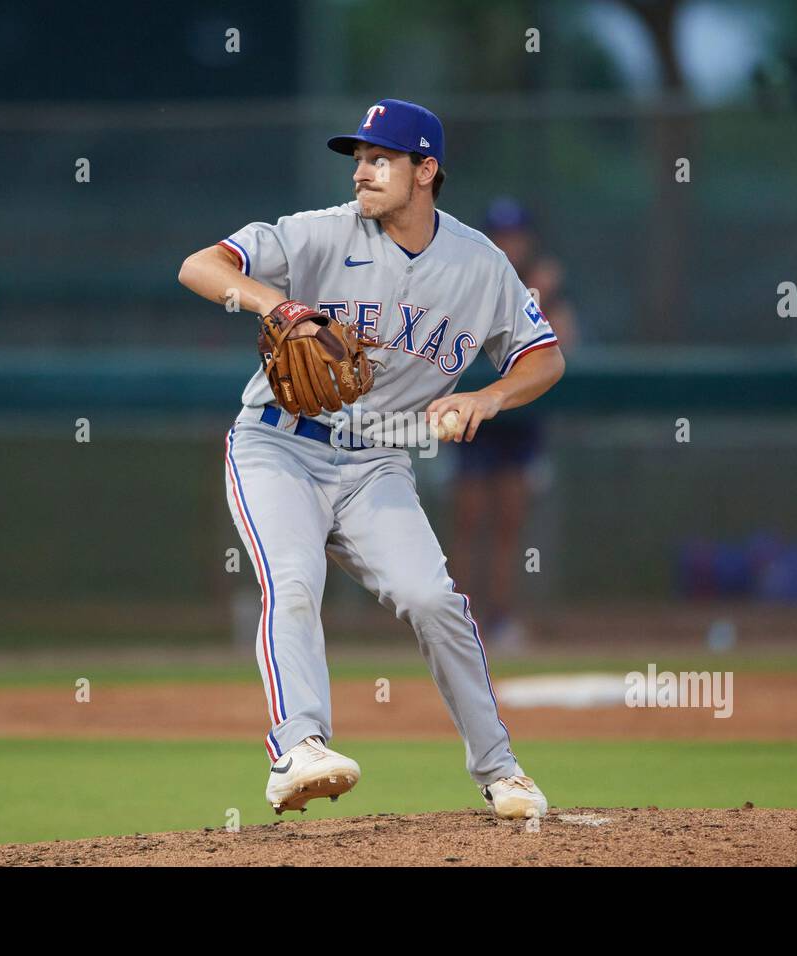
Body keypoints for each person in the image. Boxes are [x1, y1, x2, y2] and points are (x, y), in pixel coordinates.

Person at [178, 99, 564, 819]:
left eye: (380, 158)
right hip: (277, 446)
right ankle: (300, 749)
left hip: (380, 463)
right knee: (293, 581)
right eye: (358, 158)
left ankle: (502, 772)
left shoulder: (480, 265)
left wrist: (489, 397)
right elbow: (201, 266)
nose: (362, 171)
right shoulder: (319, 234)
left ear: (426, 170)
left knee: (434, 602)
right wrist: (276, 306)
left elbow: (544, 358)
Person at [449, 199, 577, 652]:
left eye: (515, 235)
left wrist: (541, 299)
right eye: (500, 236)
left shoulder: (543, 285)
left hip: (519, 414)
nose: (509, 244)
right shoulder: (471, 279)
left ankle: (501, 618)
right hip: (473, 413)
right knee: (468, 518)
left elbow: (560, 350)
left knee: (508, 521)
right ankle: (462, 621)